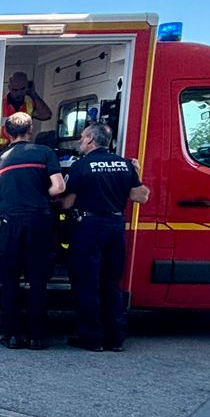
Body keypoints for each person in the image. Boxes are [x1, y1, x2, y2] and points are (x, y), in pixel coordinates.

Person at [62, 123, 150, 351]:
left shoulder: (81, 166)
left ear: (91, 138)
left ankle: (91, 339)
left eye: (82, 137)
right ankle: (116, 338)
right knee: (111, 284)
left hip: (89, 227)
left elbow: (68, 202)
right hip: (115, 225)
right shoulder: (124, 164)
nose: (80, 142)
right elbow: (141, 197)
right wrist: (137, 173)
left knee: (87, 283)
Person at [0, 113, 65, 349]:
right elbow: (59, 187)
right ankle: (37, 337)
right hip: (39, 221)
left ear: (6, 133)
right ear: (31, 129)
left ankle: (11, 335)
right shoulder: (45, 152)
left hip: (10, 222)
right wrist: (38, 195)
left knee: (10, 281)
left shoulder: (1, 158)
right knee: (37, 281)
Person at [1, 72, 53, 146]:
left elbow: (46, 115)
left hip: (22, 149)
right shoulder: (0, 105)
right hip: (0, 150)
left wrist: (33, 93)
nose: (19, 93)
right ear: (9, 87)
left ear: (27, 87)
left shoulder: (29, 104)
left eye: (22, 89)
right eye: (15, 90)